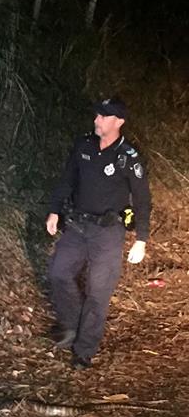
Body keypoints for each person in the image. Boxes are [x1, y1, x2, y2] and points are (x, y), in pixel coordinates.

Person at [45, 97, 151, 369]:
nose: (96, 120)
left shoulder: (128, 157)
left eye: (103, 116)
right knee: (58, 273)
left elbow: (141, 199)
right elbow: (67, 179)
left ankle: (84, 349)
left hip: (108, 233)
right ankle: (72, 325)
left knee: (98, 292)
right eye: (96, 115)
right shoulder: (83, 146)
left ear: (118, 122)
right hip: (78, 226)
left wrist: (141, 239)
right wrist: (55, 210)